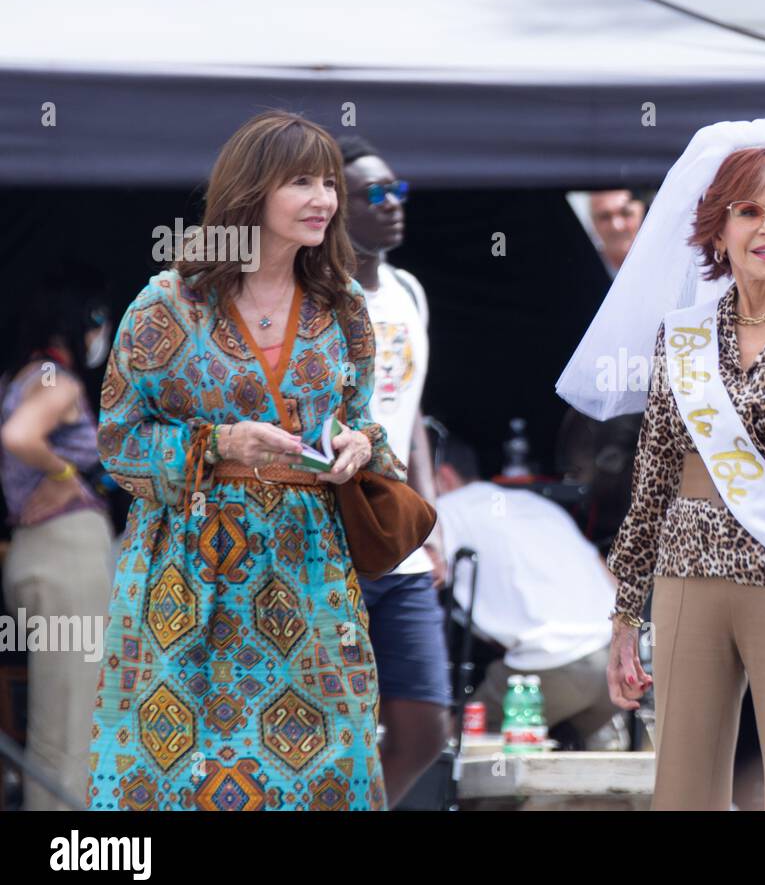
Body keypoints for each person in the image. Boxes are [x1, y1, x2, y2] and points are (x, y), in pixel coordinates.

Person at [558, 119, 765, 811]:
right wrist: (626, 615)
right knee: (680, 791)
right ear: (717, 229)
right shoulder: (681, 336)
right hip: (686, 580)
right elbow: (651, 480)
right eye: (749, 211)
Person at [87, 110, 407, 810]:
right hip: (189, 577)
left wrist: (360, 447)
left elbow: (361, 426)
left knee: (329, 768)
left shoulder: (343, 304)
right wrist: (217, 444)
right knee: (180, 774)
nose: (325, 198)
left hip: (310, 576)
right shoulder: (170, 305)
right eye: (302, 181)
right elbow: (118, 442)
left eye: (329, 182)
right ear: (251, 192)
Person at [337, 136, 452, 806]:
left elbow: (410, 416)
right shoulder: (319, 297)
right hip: (337, 539)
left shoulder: (408, 290)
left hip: (402, 543)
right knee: (335, 720)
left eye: (396, 189)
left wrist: (432, 517)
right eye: (372, 194)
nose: (391, 203)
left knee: (424, 726)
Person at [0, 281, 115, 809]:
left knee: (55, 722)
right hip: (66, 557)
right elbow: (21, 436)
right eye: (95, 319)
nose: (101, 333)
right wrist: (66, 471)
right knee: (74, 728)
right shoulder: (57, 381)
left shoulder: (19, 377)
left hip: (36, 554)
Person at [432, 435, 624, 747]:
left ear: (444, 476)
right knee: (564, 751)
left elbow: (426, 573)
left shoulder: (445, 508)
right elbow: (609, 576)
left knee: (454, 750)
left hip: (551, 664)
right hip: (614, 666)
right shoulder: (534, 504)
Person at [588, 190, 645, 278]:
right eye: (605, 217)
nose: (617, 226)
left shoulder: (666, 265)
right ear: (593, 222)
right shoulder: (578, 275)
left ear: (643, 214)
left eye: (626, 213)